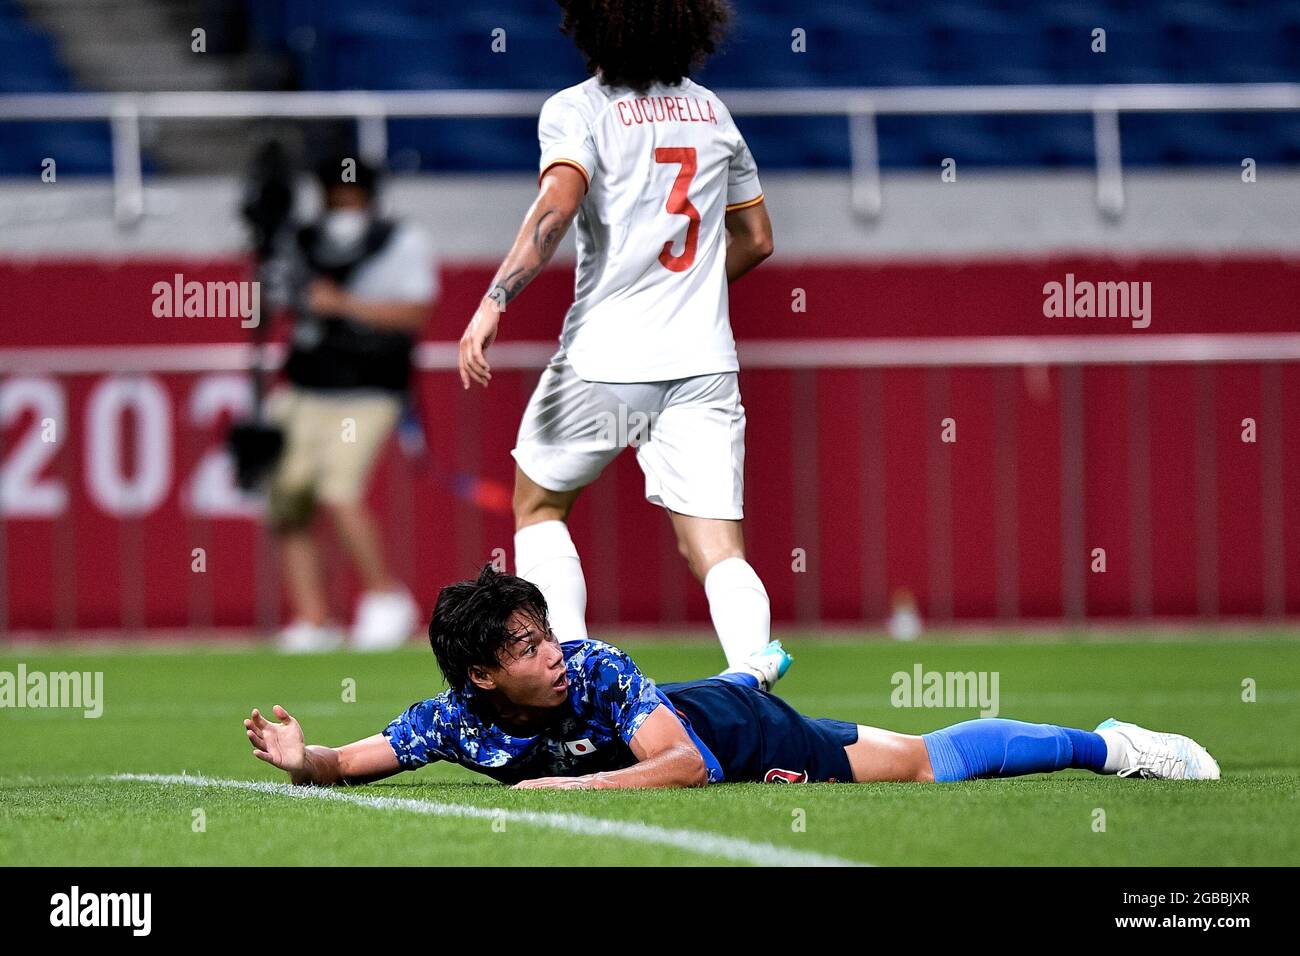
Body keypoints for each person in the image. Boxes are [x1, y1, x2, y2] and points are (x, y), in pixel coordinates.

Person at [243, 567, 1221, 789]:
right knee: (729, 680)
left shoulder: (593, 668)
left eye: (544, 632)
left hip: (739, 731)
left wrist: (570, 787)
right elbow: (347, 760)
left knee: (926, 764)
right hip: (694, 702)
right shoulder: (451, 719)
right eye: (526, 643)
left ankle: (1114, 745)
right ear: (478, 673)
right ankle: (746, 662)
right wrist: (304, 757)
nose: (551, 648)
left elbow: (680, 765)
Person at [455, 0, 776, 672]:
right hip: (704, 361)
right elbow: (757, 240)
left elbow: (557, 206)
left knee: (539, 504)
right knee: (717, 549)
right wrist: (687, 298)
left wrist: (493, 301)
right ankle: (754, 680)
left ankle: (573, 670)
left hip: (606, 357)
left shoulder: (578, 109)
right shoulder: (713, 112)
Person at [267, 155, 437, 652]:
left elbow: (414, 311)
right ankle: (313, 617)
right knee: (289, 495)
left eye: (348, 191)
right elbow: (277, 301)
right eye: (331, 191)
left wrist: (342, 304)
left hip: (369, 390)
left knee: (339, 491)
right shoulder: (301, 240)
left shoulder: (400, 241)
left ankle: (386, 597)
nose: (340, 201)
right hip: (305, 387)